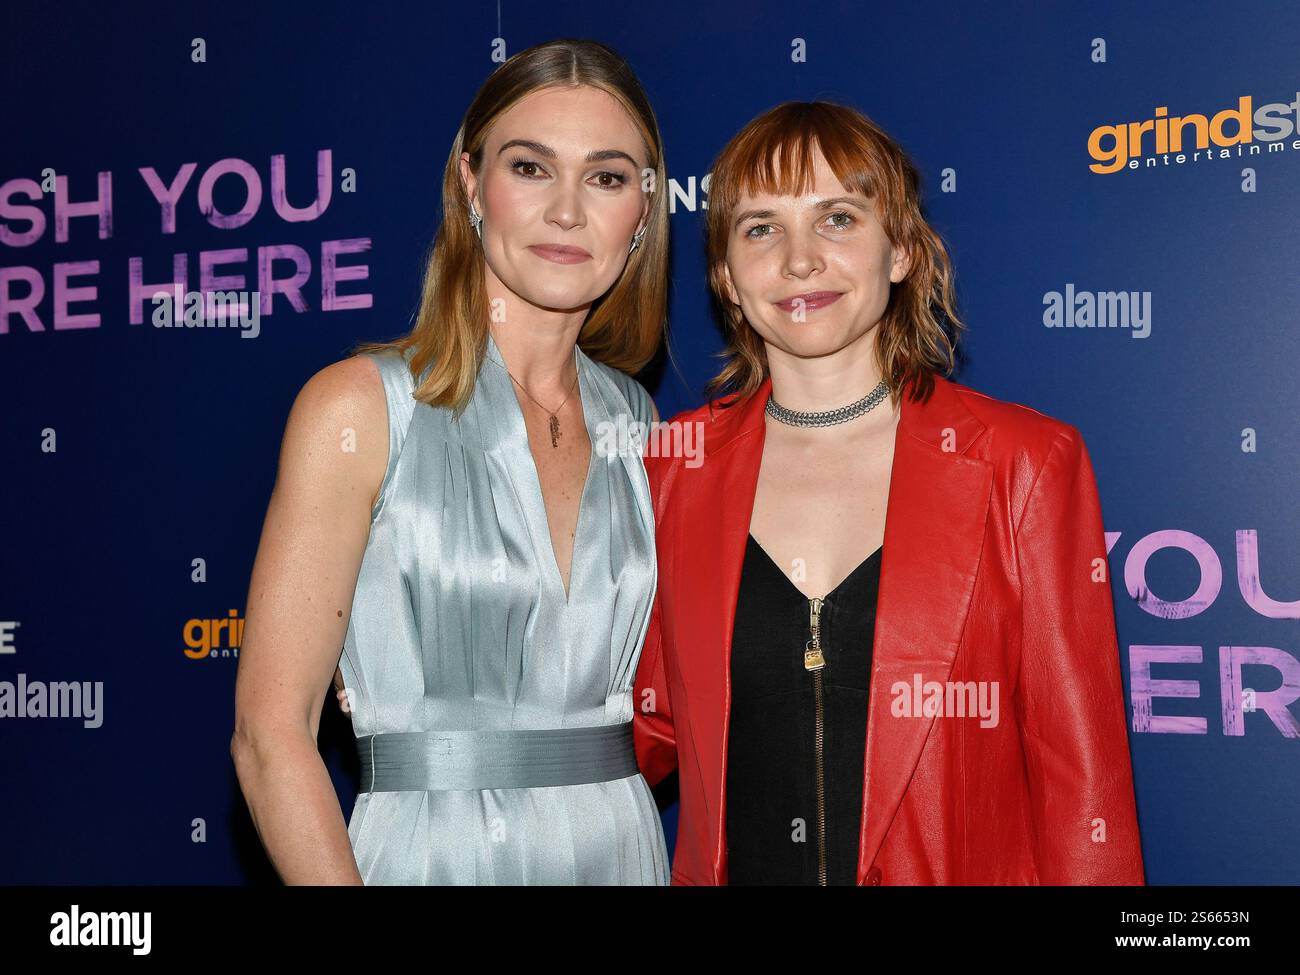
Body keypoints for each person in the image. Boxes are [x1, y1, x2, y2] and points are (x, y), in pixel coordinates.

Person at [633, 100, 1145, 885]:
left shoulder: (1026, 463)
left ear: (900, 249)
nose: (799, 260)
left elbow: (1083, 781)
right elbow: (635, 725)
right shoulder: (673, 466)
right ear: (726, 278)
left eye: (837, 218)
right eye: (761, 228)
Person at [232, 38, 671, 885]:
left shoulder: (641, 424)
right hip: (434, 858)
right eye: (531, 168)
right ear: (471, 186)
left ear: (644, 214)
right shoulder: (357, 409)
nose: (569, 211)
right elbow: (268, 735)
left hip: (622, 852)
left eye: (608, 177)